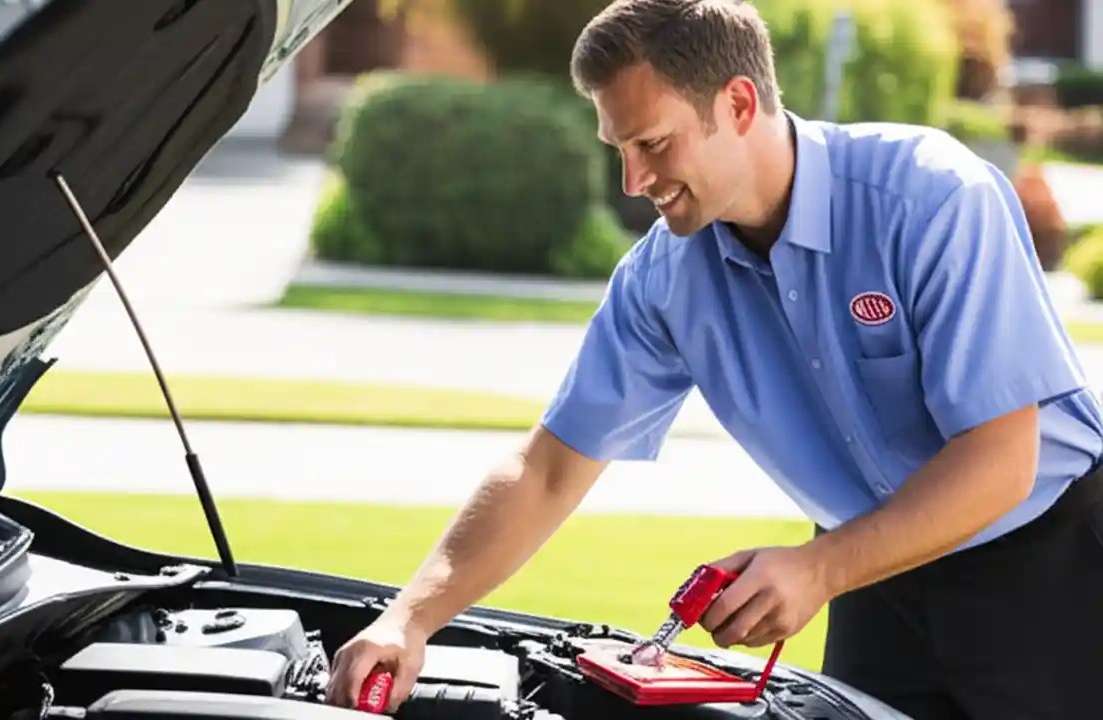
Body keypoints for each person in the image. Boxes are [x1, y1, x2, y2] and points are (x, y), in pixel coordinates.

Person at [324, 0, 1103, 717]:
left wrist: (818, 569)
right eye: (620, 149)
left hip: (1055, 568)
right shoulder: (666, 276)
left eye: (653, 144)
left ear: (736, 103)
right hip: (876, 577)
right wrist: (410, 618)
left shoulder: (933, 199)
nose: (634, 182)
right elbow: (549, 467)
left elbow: (1003, 461)